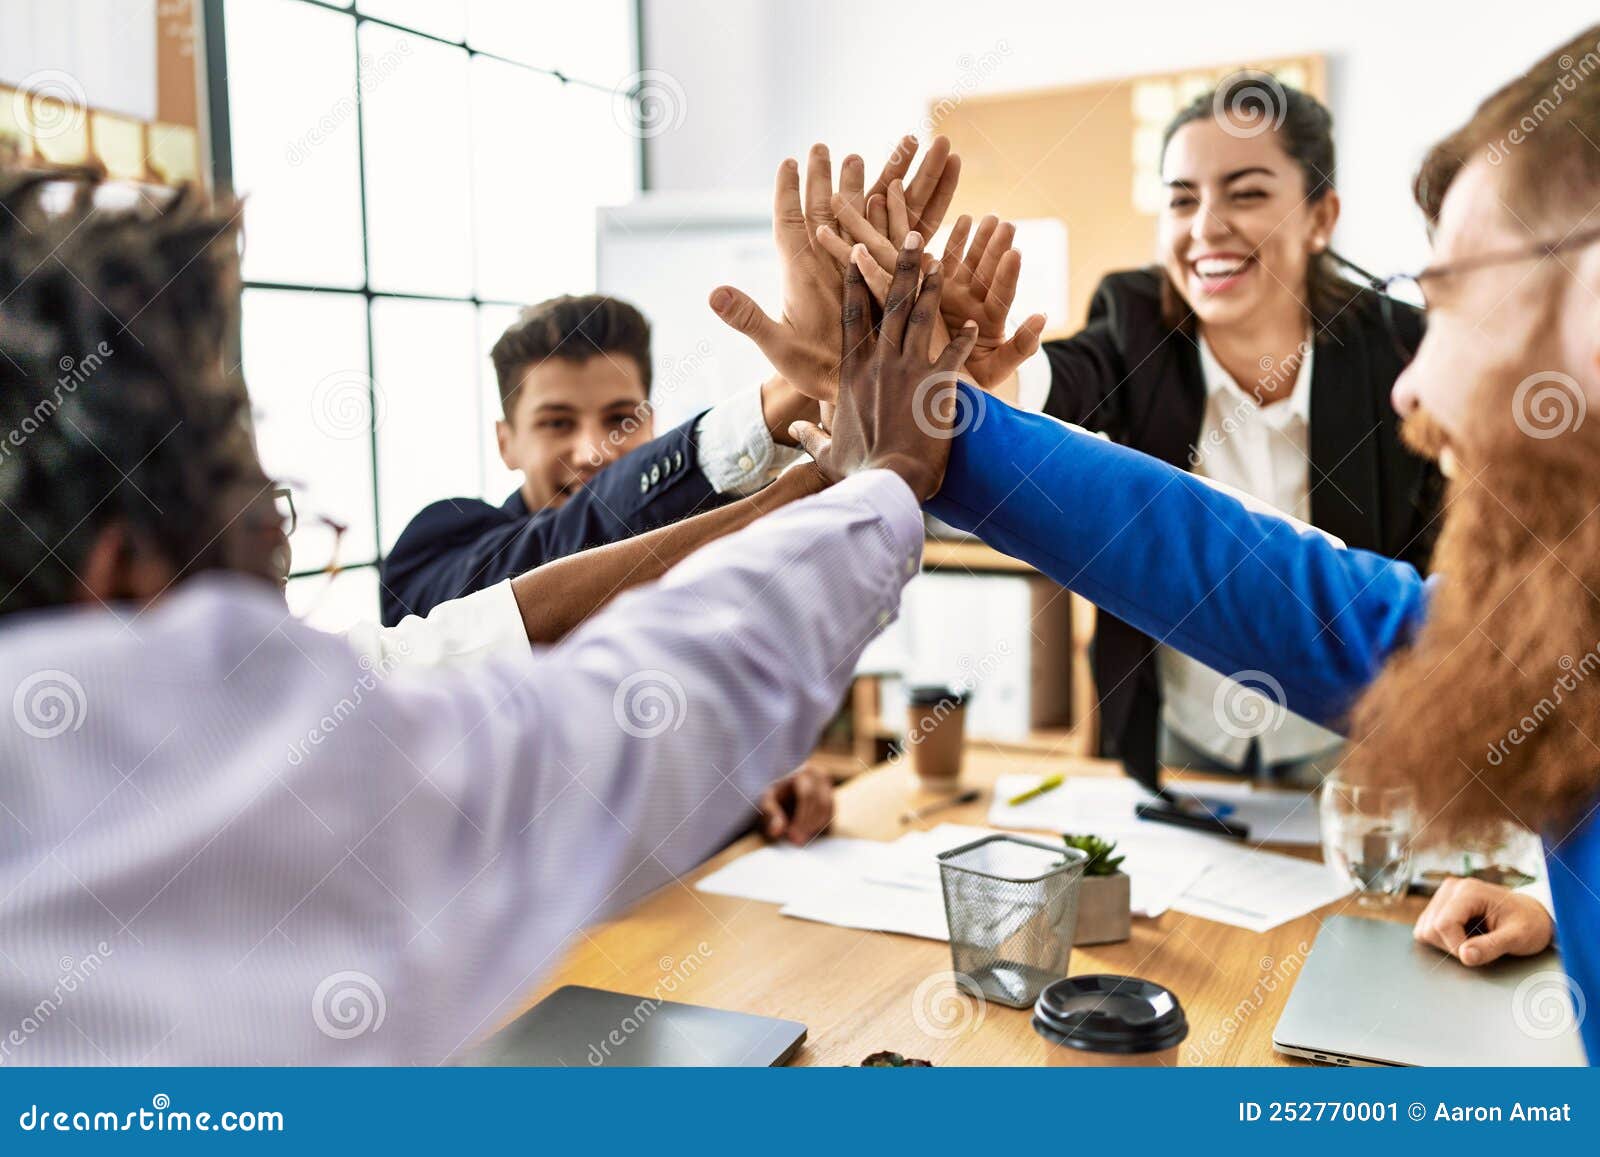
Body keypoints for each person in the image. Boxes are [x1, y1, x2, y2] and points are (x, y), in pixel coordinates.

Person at [0, 164, 970, 1063]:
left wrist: (830, 474)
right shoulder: (432, 554)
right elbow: (622, 691)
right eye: (260, 516)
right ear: (125, 579)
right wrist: (869, 478)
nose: (286, 552)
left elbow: (457, 652)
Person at [912, 26, 1600, 1060]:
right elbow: (1301, 594)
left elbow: (1344, 619)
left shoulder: (1378, 347)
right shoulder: (1133, 319)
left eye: (1454, 293)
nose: (1419, 389)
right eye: (1181, 198)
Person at [832, 76, 1443, 792]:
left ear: (1319, 217)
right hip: (1182, 751)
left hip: (1364, 763)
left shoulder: (1401, 352)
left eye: (1246, 194)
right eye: (1182, 198)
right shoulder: (1134, 320)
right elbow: (1061, 379)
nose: (1207, 226)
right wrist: (969, 367)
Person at [380, 135, 960, 628]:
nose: (592, 448)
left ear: (651, 424)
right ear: (505, 440)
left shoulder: (713, 529)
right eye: (556, 422)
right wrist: (796, 391)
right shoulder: (440, 545)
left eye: (619, 419)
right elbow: (539, 578)